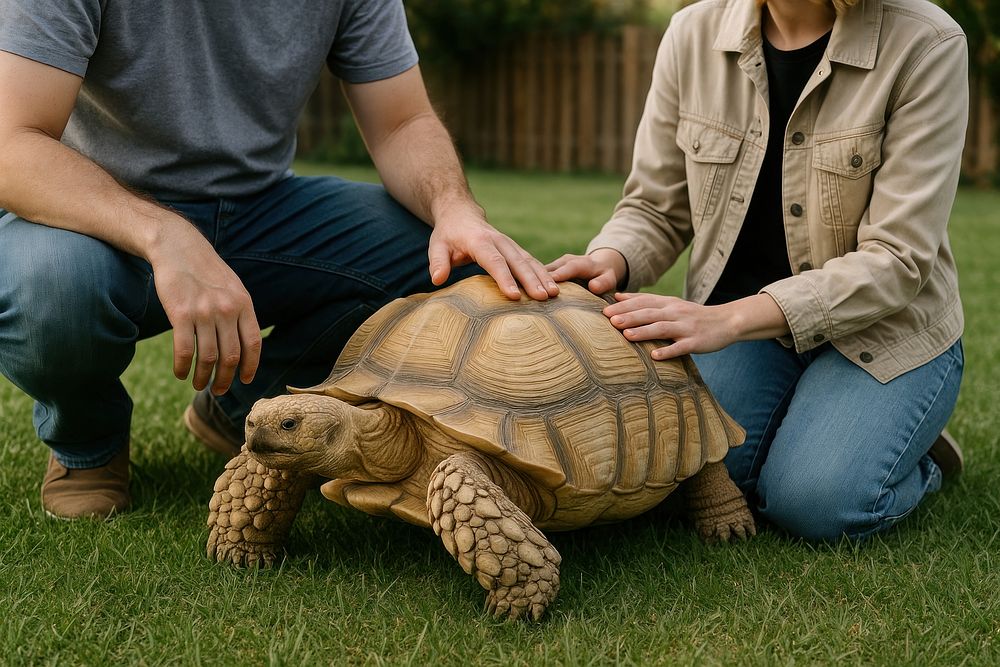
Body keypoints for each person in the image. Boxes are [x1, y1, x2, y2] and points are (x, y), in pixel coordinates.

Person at [0, 0, 559, 520]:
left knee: (447, 264)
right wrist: (164, 234)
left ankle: (254, 404)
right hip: (97, 217)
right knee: (48, 288)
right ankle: (86, 444)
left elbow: (402, 122)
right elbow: (14, 142)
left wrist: (453, 207)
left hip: (264, 208)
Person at [548, 0, 967, 541]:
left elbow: (897, 258)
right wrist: (611, 259)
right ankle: (822, 418)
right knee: (678, 481)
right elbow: (655, 207)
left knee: (812, 503)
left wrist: (727, 322)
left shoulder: (928, 43)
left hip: (883, 334)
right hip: (742, 330)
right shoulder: (691, 33)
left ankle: (914, 453)